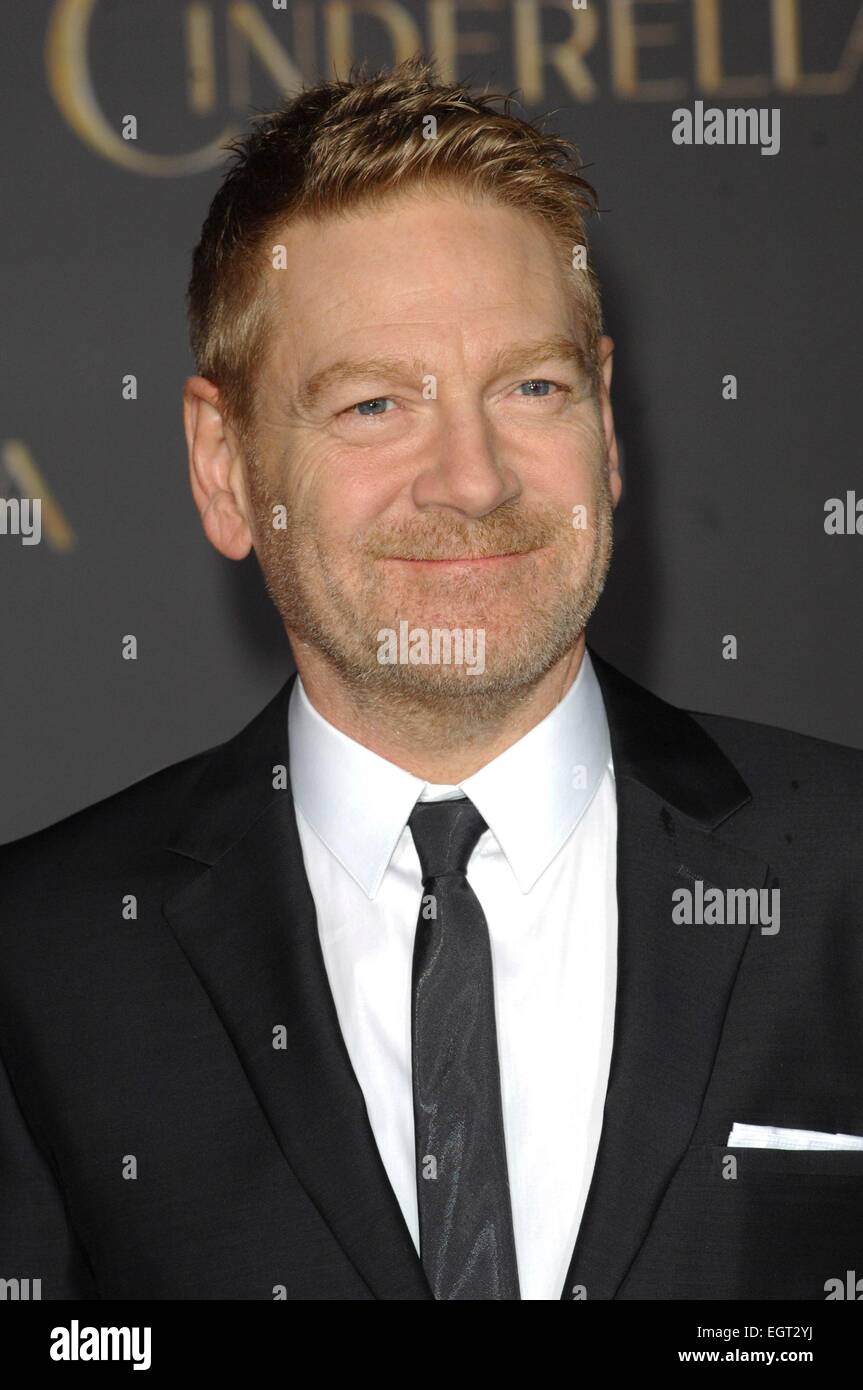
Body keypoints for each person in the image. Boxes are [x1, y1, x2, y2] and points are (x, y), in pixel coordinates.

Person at [1, 55, 861, 1302]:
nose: (471, 478)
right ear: (225, 467)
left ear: (605, 422)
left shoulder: (840, 876)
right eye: (369, 406)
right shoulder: (44, 963)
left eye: (530, 387)